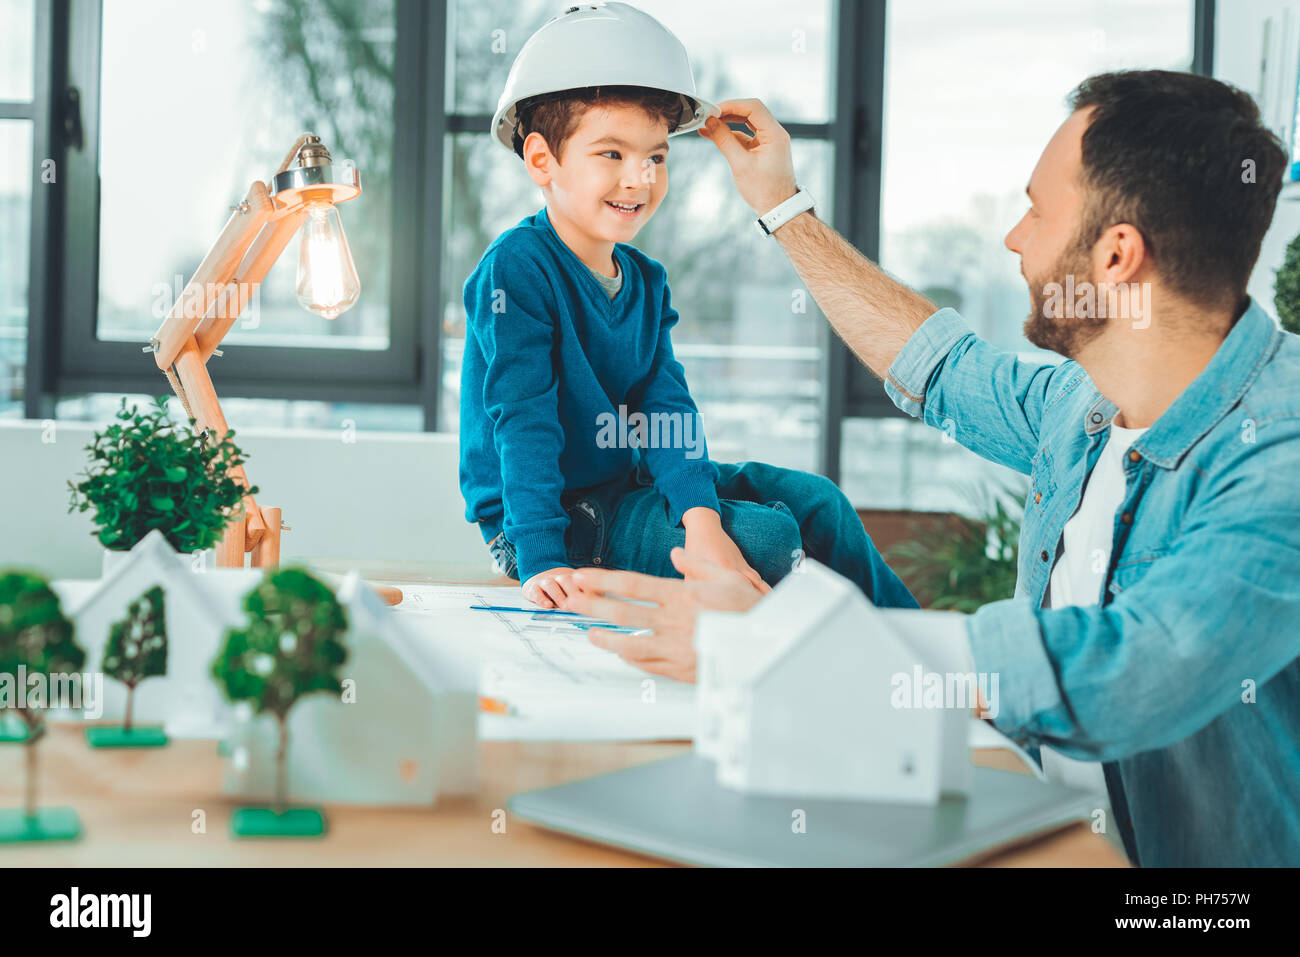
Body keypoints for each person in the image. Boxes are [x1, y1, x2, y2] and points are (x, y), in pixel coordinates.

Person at [566, 70, 1300, 868]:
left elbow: (1136, 667)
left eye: (1038, 211)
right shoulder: (1086, 402)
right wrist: (780, 204)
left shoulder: (1278, 455)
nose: (1015, 238)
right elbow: (939, 363)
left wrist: (776, 646)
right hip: (1031, 822)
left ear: (1118, 254)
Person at [459, 3, 915, 612]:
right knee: (771, 538)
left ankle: (920, 653)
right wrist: (543, 558)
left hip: (625, 485)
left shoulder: (647, 280)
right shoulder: (516, 269)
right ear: (542, 159)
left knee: (819, 503)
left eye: (656, 156)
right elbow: (525, 423)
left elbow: (665, 407)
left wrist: (700, 520)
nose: (640, 178)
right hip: (550, 520)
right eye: (612, 154)